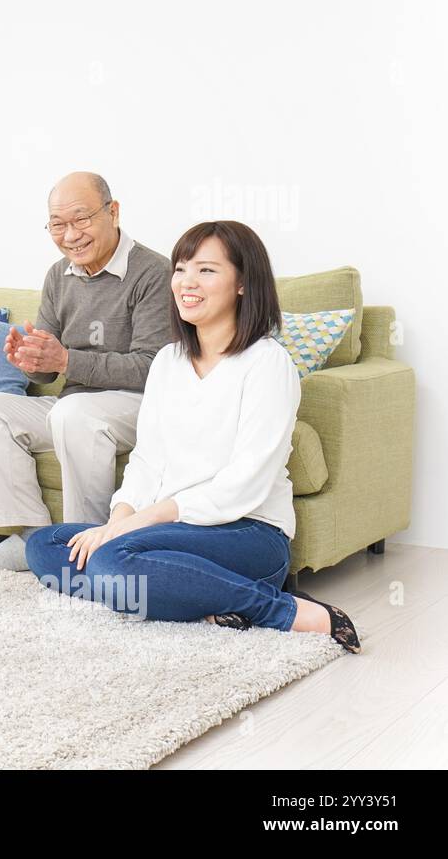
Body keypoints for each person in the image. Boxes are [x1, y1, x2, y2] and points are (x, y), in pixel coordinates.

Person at [24, 220, 361, 654]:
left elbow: (246, 481)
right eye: (181, 269)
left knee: (111, 561)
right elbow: (148, 460)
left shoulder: (267, 363)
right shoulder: (168, 360)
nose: (187, 282)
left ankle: (281, 610)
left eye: (206, 270)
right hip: (173, 532)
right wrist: (117, 519)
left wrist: (133, 526)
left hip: (248, 533)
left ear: (243, 283)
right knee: (45, 546)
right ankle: (201, 599)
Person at [0, 172, 172, 572]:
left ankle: (90, 541)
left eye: (81, 219)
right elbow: (49, 372)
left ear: (113, 212)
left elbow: (152, 367)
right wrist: (32, 362)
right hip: (73, 404)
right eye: (58, 224)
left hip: (140, 404)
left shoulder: (153, 273)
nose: (70, 235)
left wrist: (65, 361)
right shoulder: (58, 276)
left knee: (73, 413)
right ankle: (32, 538)